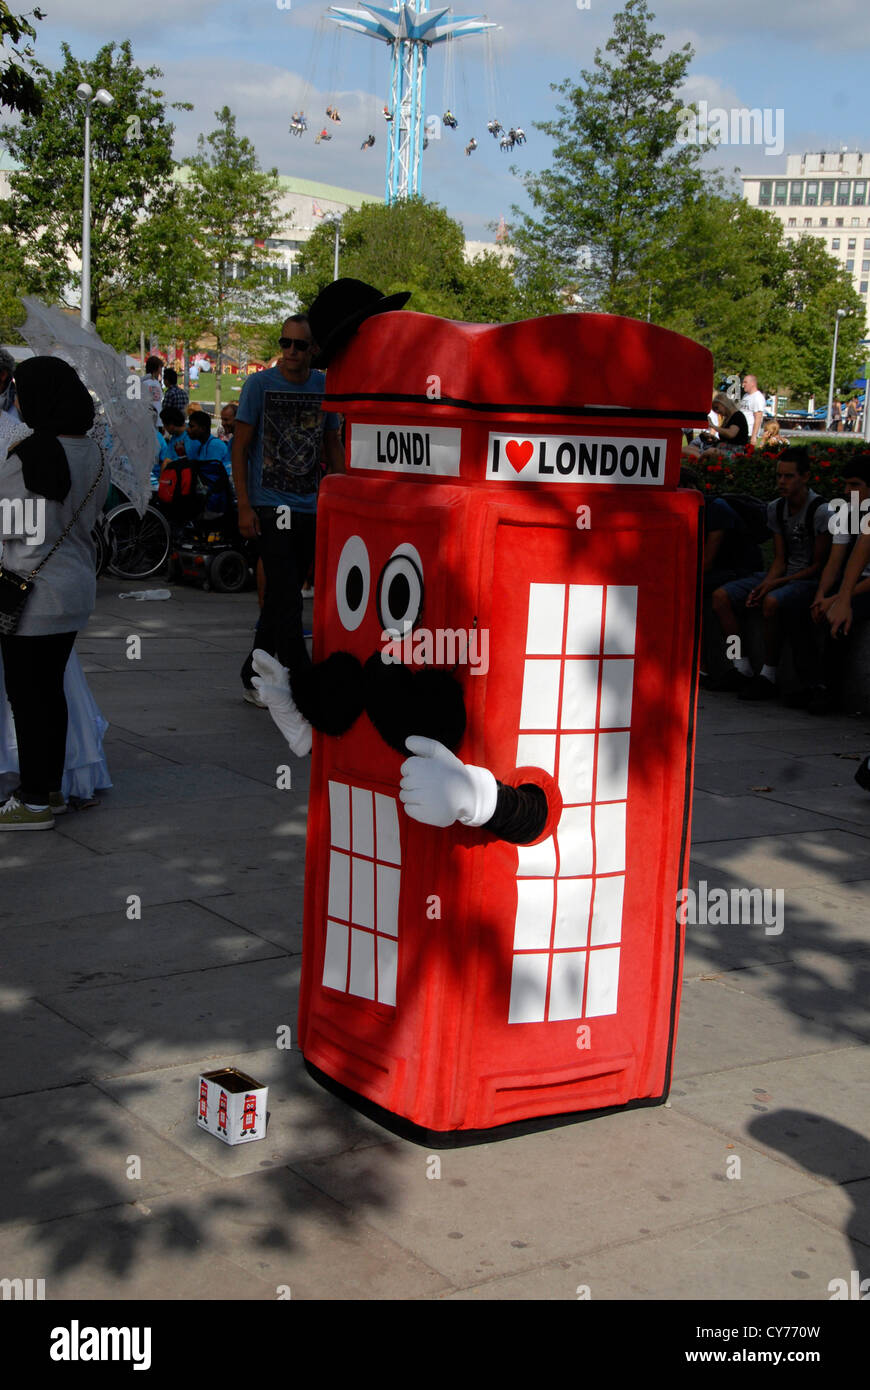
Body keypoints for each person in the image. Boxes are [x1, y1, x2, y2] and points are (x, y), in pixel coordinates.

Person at [0, 356, 109, 829]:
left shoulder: (29, 454)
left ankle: (34, 799)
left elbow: (10, 527)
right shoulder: (96, 453)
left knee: (28, 698)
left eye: (21, 391)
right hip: (75, 589)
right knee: (50, 694)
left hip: (29, 592)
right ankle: (51, 790)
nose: (17, 400)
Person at [232, 313, 344, 704]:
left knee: (284, 593)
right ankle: (303, 680)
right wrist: (244, 505)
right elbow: (241, 447)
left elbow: (332, 444)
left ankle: (253, 672)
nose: (290, 352)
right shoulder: (259, 385)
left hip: (311, 506)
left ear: (314, 349)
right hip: (270, 505)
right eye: (285, 343)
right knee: (288, 597)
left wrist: (340, 494)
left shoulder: (324, 387)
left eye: (299, 345)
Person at [711, 447, 831, 700]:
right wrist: (765, 583)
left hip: (806, 578)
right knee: (721, 597)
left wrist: (774, 585)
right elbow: (778, 558)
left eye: (789, 477)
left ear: (805, 477)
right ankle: (739, 664)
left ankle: (769, 673)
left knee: (772, 601)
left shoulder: (820, 510)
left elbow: (818, 565)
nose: (782, 482)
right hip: (781, 574)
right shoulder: (775, 508)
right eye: (779, 476)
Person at [738, 374, 766, 450]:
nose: (743, 385)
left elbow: (758, 418)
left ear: (752, 383)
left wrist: (754, 436)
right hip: (741, 432)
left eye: (745, 382)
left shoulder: (758, 397)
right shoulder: (746, 396)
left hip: (749, 433)